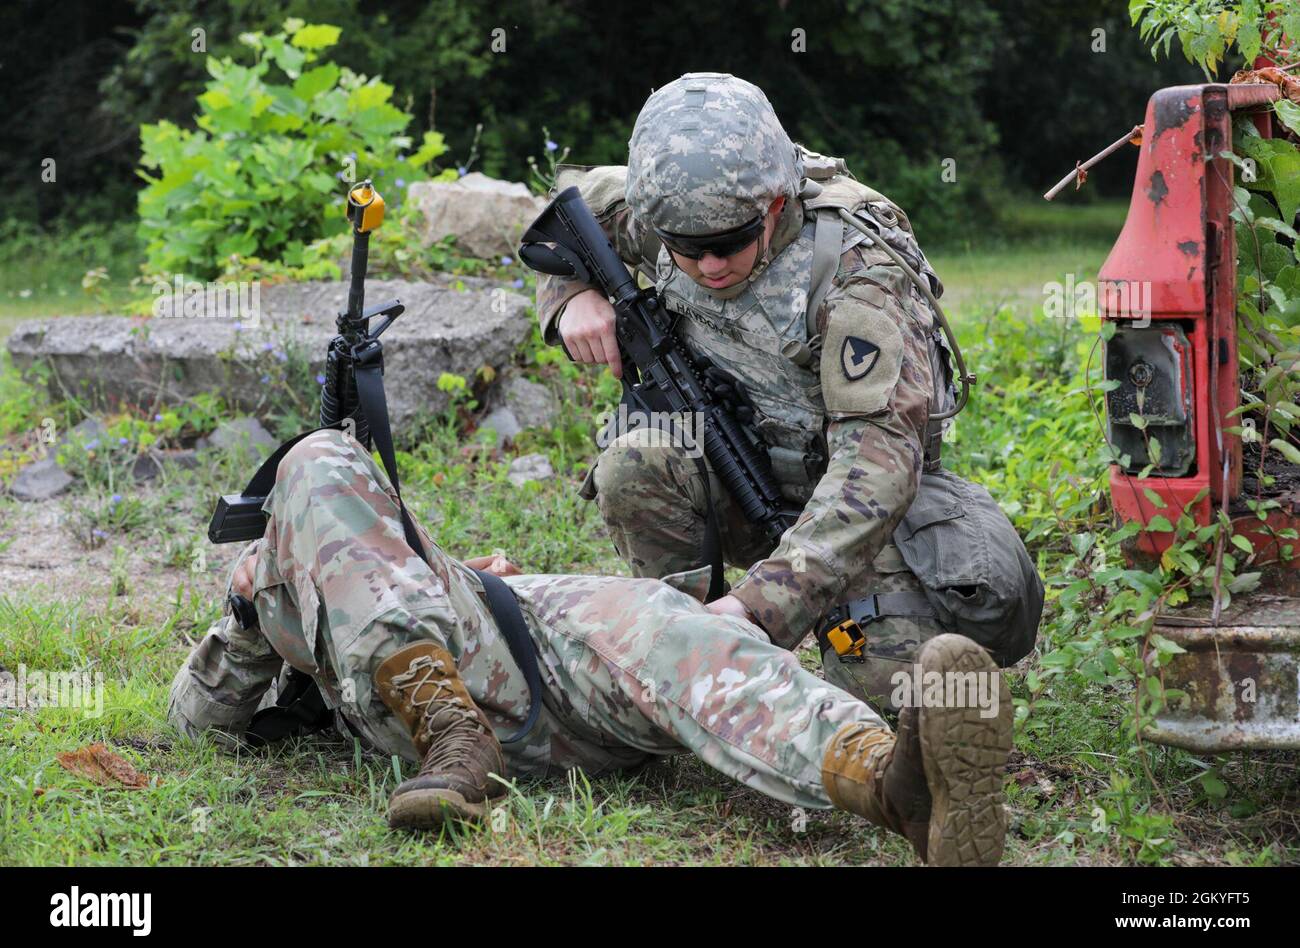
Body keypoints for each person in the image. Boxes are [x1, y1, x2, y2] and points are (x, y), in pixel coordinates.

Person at [168, 428, 1013, 865]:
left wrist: (446, 571)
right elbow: (194, 724)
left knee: (691, 643)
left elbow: (378, 559)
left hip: (525, 632)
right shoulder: (271, 593)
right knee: (318, 451)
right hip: (444, 718)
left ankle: (893, 785)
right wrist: (244, 618)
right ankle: (451, 737)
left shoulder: (399, 567)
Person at [533, 71, 1024, 706]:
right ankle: (688, 658)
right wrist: (570, 294)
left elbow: (877, 466)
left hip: (856, 516)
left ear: (773, 204)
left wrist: (762, 607)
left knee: (879, 678)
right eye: (686, 248)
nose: (709, 265)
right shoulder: (671, 204)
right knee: (632, 466)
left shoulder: (857, 271)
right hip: (737, 481)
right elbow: (560, 211)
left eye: (729, 243)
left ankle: (782, 633)